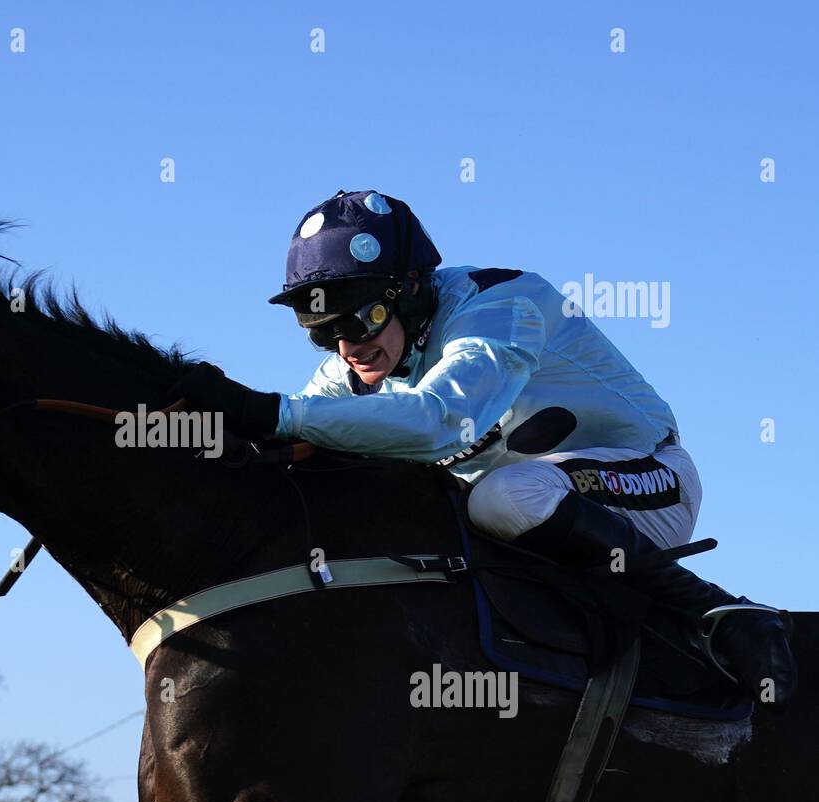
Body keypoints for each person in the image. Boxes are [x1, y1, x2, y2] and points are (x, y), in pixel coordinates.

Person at [170, 189, 795, 708]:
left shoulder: (502, 304)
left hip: (646, 482)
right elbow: (304, 445)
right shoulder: (356, 364)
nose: (346, 349)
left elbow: (439, 422)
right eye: (322, 331)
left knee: (504, 495)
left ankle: (721, 611)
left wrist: (268, 410)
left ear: (412, 288)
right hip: (535, 510)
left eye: (358, 321)